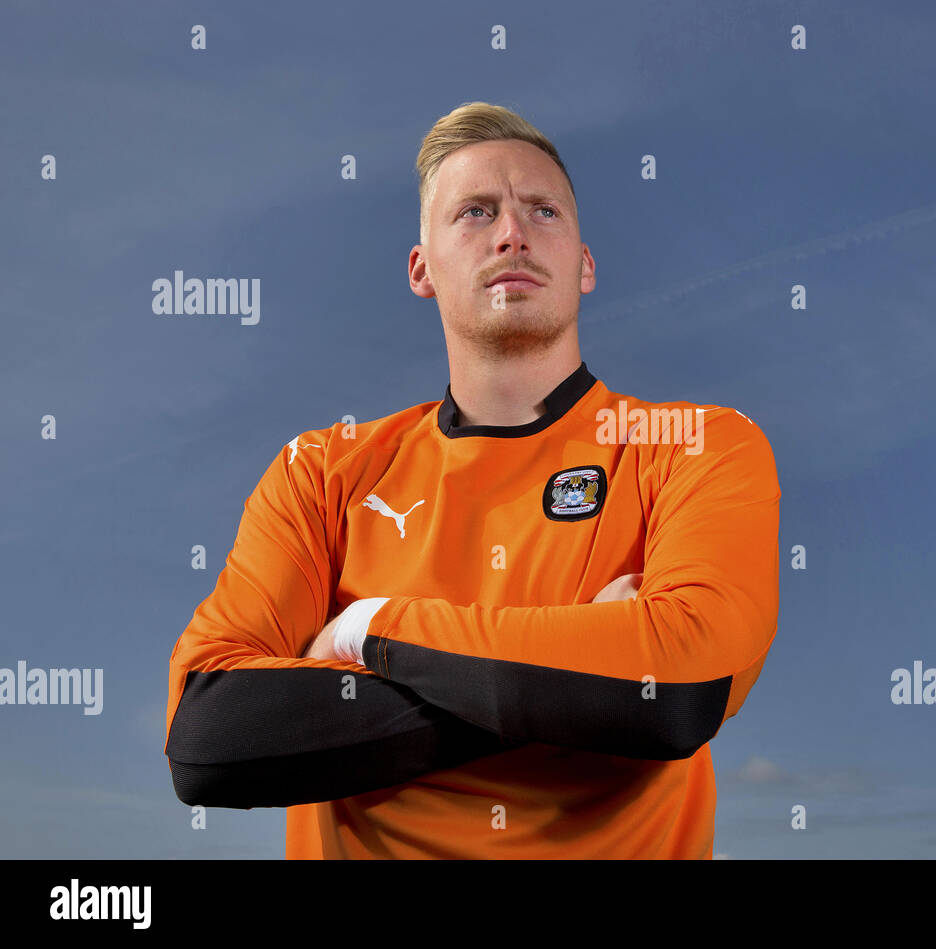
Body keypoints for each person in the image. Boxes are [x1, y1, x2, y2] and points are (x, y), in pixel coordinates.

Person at [165, 101, 781, 859]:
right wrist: (577, 686)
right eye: (475, 212)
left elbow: (677, 693)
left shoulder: (695, 444)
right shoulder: (322, 472)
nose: (512, 232)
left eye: (543, 210)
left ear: (585, 263)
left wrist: (368, 630)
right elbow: (210, 735)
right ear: (423, 269)